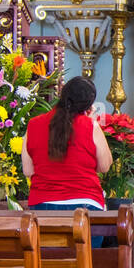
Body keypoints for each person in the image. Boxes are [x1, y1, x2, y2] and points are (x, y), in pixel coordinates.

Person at [22, 75, 112, 210]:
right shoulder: (90, 125)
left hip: (42, 204)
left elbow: (28, 170)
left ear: (62, 94)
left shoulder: (33, 125)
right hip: (84, 202)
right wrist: (89, 120)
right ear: (89, 105)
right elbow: (104, 166)